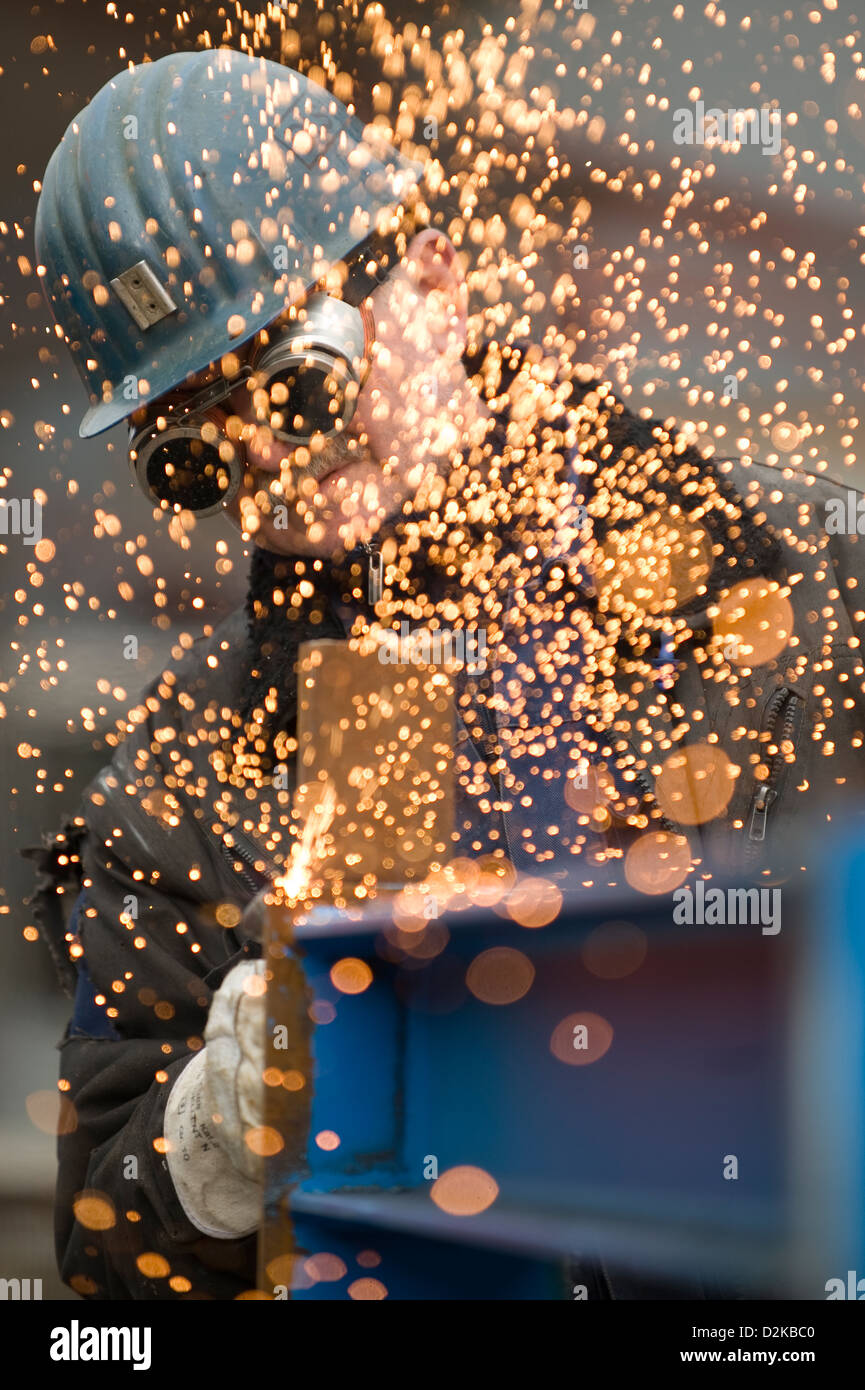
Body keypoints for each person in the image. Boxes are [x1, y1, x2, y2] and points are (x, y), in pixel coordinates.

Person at [27, 48, 865, 1300]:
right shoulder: (179, 786)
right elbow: (105, 1262)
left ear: (432, 283)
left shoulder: (784, 600)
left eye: (297, 380)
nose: (274, 464)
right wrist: (203, 1144)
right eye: (202, 448)